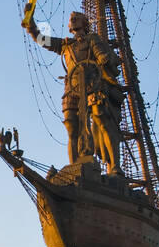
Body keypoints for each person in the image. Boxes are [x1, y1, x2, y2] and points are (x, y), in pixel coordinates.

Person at [22, 10, 121, 166]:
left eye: (77, 18)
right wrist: (31, 23)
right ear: (69, 26)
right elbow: (42, 40)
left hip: (91, 83)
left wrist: (103, 57)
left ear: (84, 23)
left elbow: (100, 53)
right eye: (71, 19)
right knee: (71, 127)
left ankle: (114, 166)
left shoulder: (92, 39)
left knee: (100, 116)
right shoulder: (65, 45)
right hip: (72, 87)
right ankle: (76, 166)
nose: (73, 20)